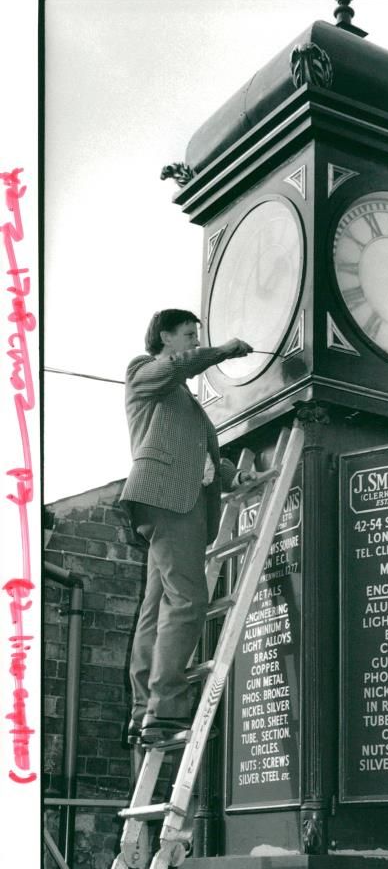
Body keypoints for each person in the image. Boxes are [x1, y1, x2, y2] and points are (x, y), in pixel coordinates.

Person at [120, 309, 252, 746]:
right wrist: (224, 351)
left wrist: (234, 476)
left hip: (178, 503)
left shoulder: (184, 401)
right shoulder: (145, 372)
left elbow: (203, 454)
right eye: (189, 334)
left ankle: (145, 711)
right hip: (169, 501)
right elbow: (179, 365)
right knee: (189, 600)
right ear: (165, 337)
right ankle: (167, 708)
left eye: (198, 335)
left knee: (157, 610)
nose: (195, 341)